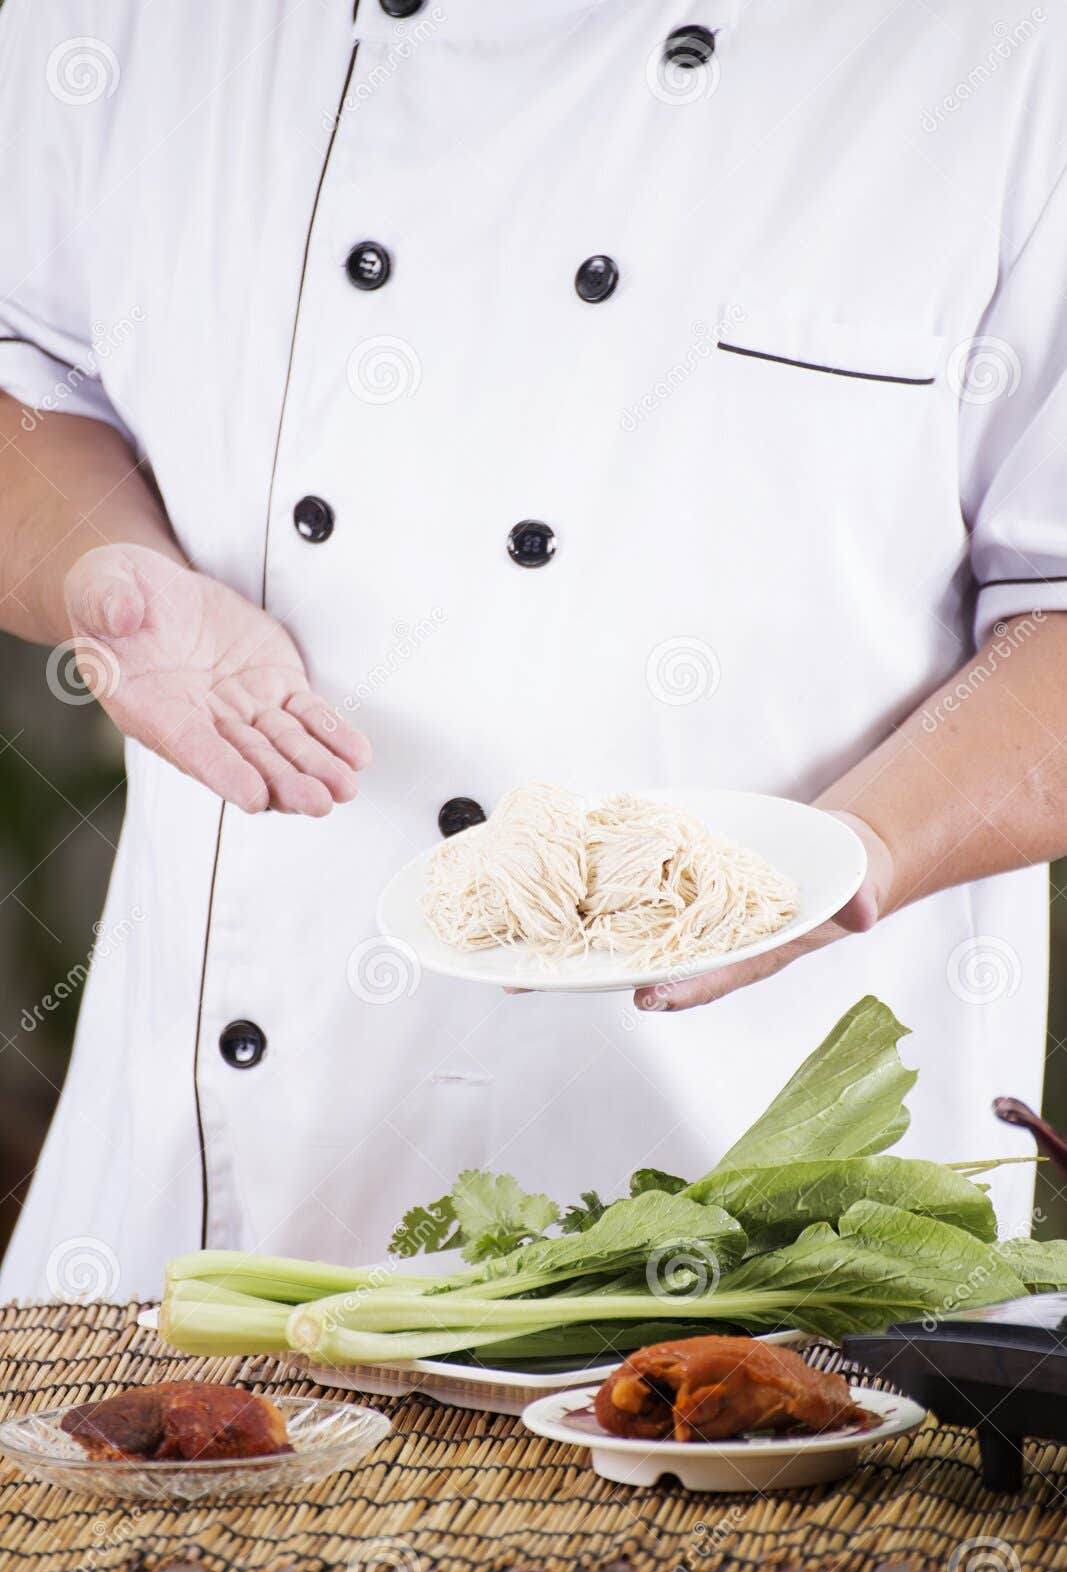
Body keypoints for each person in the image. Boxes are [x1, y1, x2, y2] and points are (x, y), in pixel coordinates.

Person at [2, 0, 1066, 1299]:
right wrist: (101, 568)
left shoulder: (997, 46)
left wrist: (857, 852)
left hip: (759, 1259)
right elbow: (26, 362)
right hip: (200, 1255)